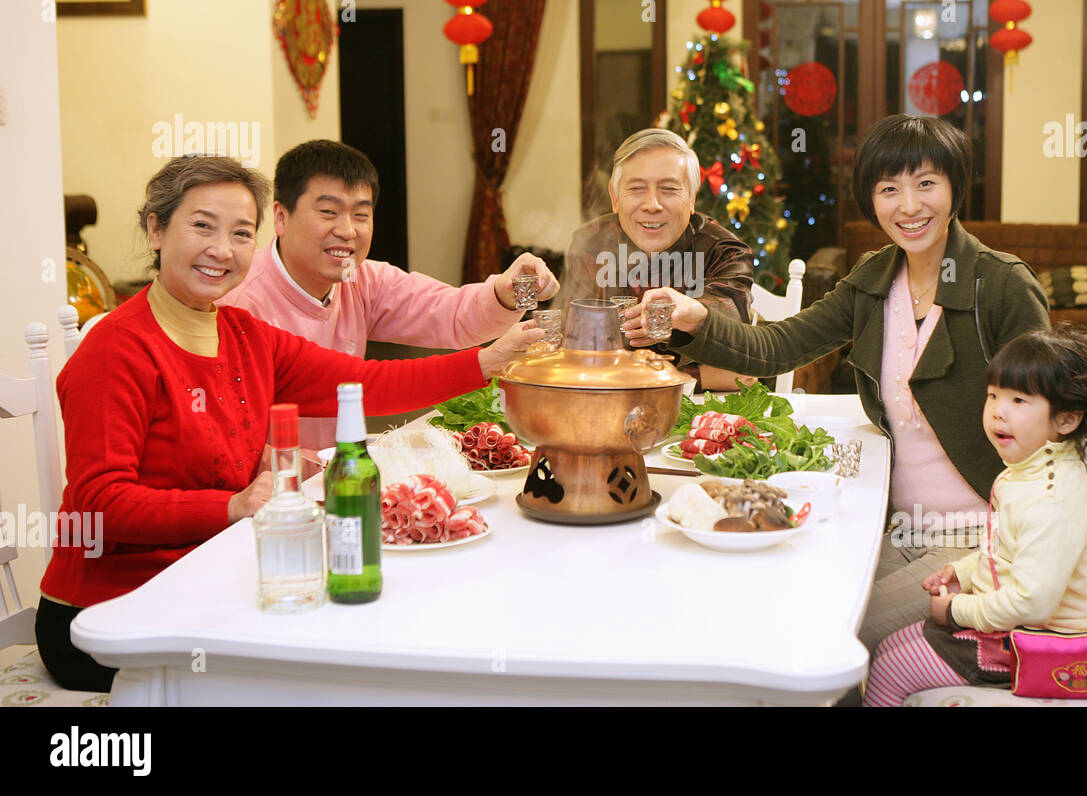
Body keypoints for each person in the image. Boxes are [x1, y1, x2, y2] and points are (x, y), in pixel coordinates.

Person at [36, 156, 541, 693]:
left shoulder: (244, 334)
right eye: (202, 226)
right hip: (113, 614)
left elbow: (363, 384)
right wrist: (232, 506)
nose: (223, 250)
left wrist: (486, 362)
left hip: (214, 578)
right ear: (155, 229)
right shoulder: (116, 348)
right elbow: (98, 503)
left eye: (240, 233)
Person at [627, 115, 1052, 663]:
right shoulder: (875, 281)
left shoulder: (999, 284)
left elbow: (1050, 423)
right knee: (772, 599)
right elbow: (774, 348)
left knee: (821, 639)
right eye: (889, 188)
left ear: (955, 189)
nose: (909, 205)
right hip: (895, 526)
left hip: (987, 541)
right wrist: (695, 319)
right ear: (870, 200)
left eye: (926, 183)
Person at [219, 140, 558, 450]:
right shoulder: (241, 304)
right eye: (328, 212)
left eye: (361, 215)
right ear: (280, 217)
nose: (348, 230)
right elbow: (235, 441)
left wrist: (510, 291)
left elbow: (449, 312)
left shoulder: (361, 279)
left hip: (338, 472)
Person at [863, 327, 1087, 706]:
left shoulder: (1051, 501)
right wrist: (965, 572)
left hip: (1037, 647)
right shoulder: (1028, 470)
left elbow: (1033, 604)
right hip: (1010, 630)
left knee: (890, 669)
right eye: (993, 395)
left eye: (1018, 400)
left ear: (1067, 420)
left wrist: (956, 610)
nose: (998, 410)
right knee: (889, 645)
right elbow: (1006, 550)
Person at [563, 128, 755, 390]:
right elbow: (575, 348)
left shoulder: (725, 251)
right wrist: (701, 376)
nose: (652, 204)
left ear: (692, 198)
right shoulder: (592, 244)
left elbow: (733, 340)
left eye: (669, 189)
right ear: (615, 197)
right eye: (637, 188)